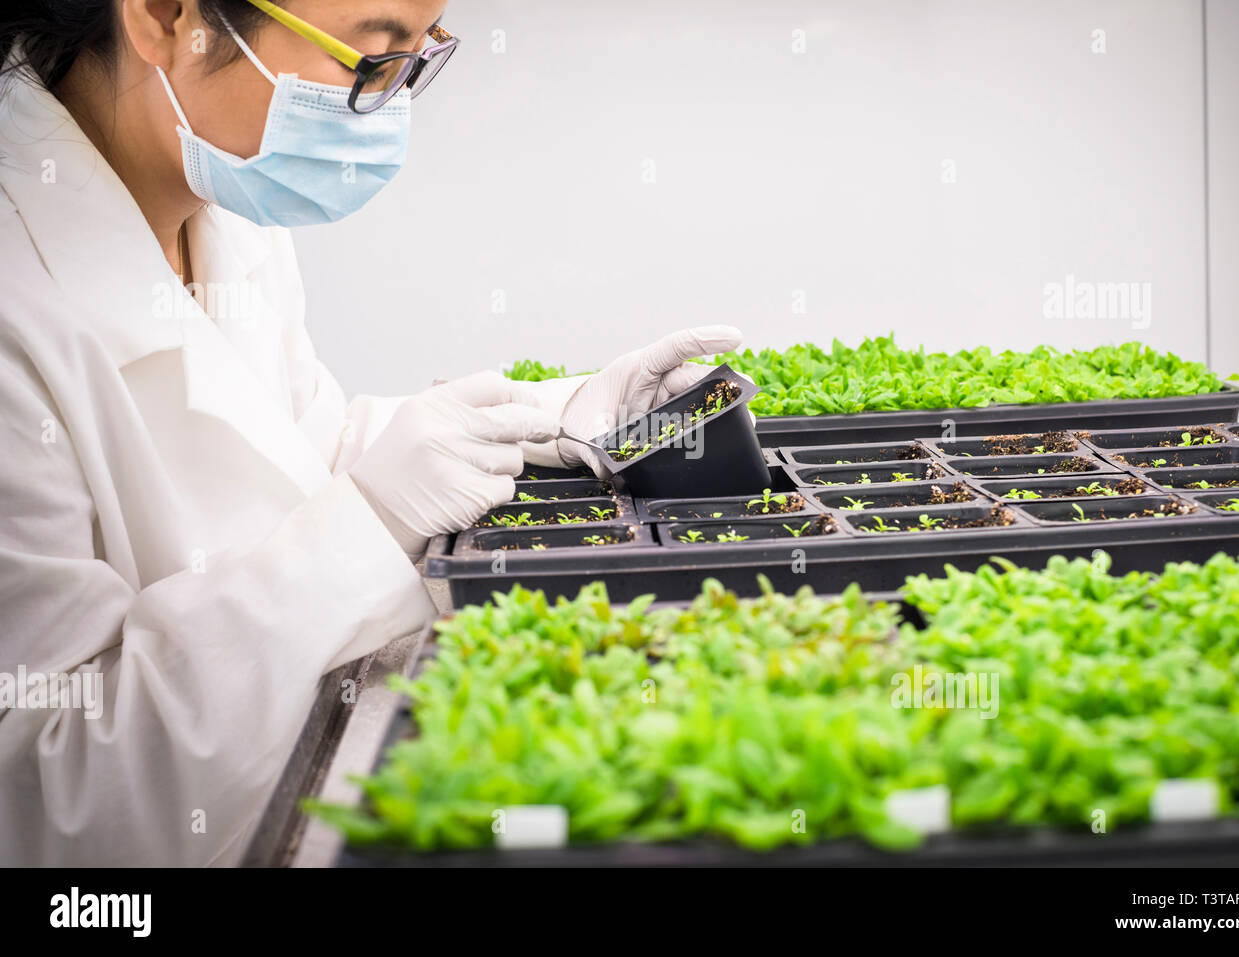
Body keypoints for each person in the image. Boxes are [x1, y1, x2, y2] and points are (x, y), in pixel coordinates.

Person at [0, 0, 742, 865]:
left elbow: (289, 458)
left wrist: (553, 410)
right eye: (370, 58)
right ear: (167, 18)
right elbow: (49, 803)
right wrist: (373, 525)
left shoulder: (221, 203)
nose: (390, 109)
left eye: (418, 56)